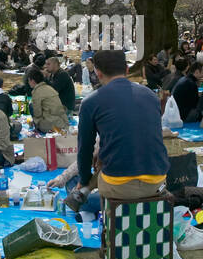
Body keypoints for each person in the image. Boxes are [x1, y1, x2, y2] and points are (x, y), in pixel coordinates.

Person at [70, 49, 168, 208]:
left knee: (86, 197)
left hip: (118, 184)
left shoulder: (91, 102)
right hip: (158, 179)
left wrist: (83, 180)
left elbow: (84, 149)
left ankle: (85, 195)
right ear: (127, 70)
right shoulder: (150, 95)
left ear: (98, 72)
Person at [27, 66, 69, 133]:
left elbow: (37, 113)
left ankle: (38, 127)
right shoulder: (49, 88)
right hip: (63, 122)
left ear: (32, 81)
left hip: (52, 125)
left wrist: (36, 121)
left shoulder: (37, 92)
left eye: (28, 80)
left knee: (31, 106)